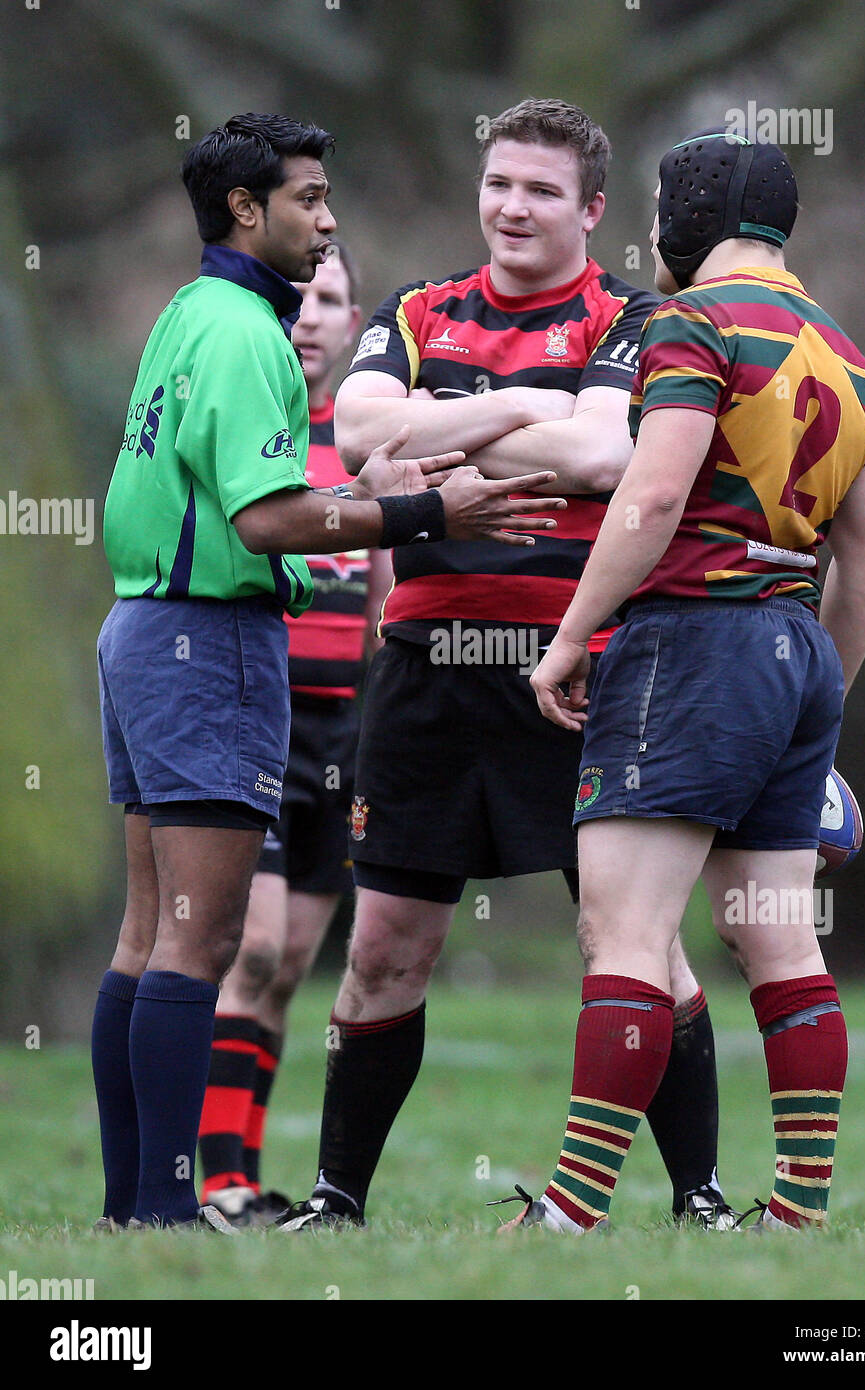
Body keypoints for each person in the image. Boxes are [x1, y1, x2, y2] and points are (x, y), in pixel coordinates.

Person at [92, 111, 563, 1230]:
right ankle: (162, 1212)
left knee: (148, 932)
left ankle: (129, 1208)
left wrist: (386, 482)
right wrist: (425, 506)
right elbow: (265, 522)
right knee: (203, 939)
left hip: (146, 627)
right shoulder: (251, 334)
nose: (328, 219)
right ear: (247, 210)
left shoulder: (189, 311)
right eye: (309, 198)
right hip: (209, 642)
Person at [279, 99, 732, 1234]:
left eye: (538, 190)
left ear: (589, 210)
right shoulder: (416, 310)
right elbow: (357, 441)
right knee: (383, 945)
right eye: (496, 184)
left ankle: (699, 1197)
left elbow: (602, 450)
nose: (510, 207)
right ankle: (336, 1199)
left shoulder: (633, 316)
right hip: (426, 667)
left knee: (631, 940)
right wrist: (532, 410)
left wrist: (451, 419)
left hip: (581, 667)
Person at [509, 128, 865, 1233]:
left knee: (623, 934)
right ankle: (798, 1215)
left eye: (656, 210)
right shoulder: (848, 352)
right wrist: (816, 696)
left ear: (688, 219)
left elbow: (652, 493)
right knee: (779, 936)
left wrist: (572, 632)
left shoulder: (693, 320)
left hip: (685, 640)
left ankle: (570, 1217)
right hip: (792, 648)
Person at [197, 241, 394, 1226]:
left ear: (355, 322)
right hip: (252, 717)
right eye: (300, 299)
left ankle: (239, 1171)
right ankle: (212, 1175)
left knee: (291, 968)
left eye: (332, 301)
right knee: (255, 945)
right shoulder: (250, 432)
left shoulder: (366, 447)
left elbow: (382, 608)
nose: (311, 317)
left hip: (338, 733)